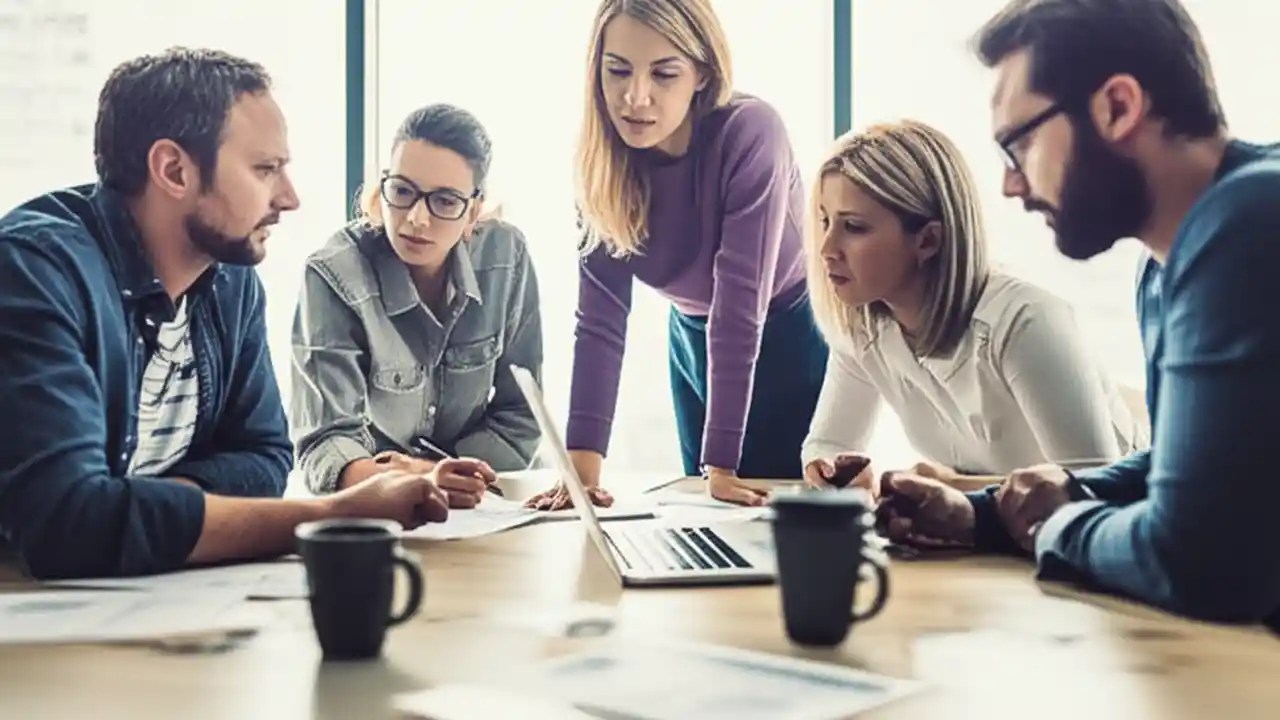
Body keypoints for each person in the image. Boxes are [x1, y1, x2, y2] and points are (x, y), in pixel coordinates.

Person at [878, 0, 1280, 629]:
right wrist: (985, 513)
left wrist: (1051, 525)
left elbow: (1201, 561)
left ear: (1118, 106)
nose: (1011, 185)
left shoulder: (1250, 221)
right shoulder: (1166, 264)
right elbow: (1204, 465)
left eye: (1021, 144)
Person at [0, 48, 466, 580]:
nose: (288, 198)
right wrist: (334, 514)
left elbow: (265, 458)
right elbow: (68, 524)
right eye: (265, 170)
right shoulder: (34, 272)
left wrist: (132, 508)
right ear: (174, 170)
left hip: (147, 597)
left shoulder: (228, 277)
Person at [527, 0, 826, 510]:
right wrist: (580, 473)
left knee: (778, 524)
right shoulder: (603, 166)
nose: (635, 97)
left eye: (664, 74)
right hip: (691, 342)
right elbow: (600, 324)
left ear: (702, 75)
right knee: (713, 522)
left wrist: (723, 463)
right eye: (617, 70)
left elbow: (739, 305)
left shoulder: (752, 133)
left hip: (787, 336)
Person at [801, 120, 1142, 495]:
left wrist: (957, 489)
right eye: (825, 221)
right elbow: (829, 446)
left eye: (853, 227)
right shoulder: (863, 327)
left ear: (928, 240)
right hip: (993, 541)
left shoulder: (1025, 322)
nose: (826, 248)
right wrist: (832, 472)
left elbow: (1092, 492)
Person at [291, 104, 540, 506]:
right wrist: (417, 479)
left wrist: (450, 476)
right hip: (374, 504)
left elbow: (522, 415)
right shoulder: (333, 273)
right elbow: (324, 442)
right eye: (403, 192)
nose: (416, 219)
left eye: (444, 201)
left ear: (474, 210)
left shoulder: (506, 256)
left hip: (487, 502)